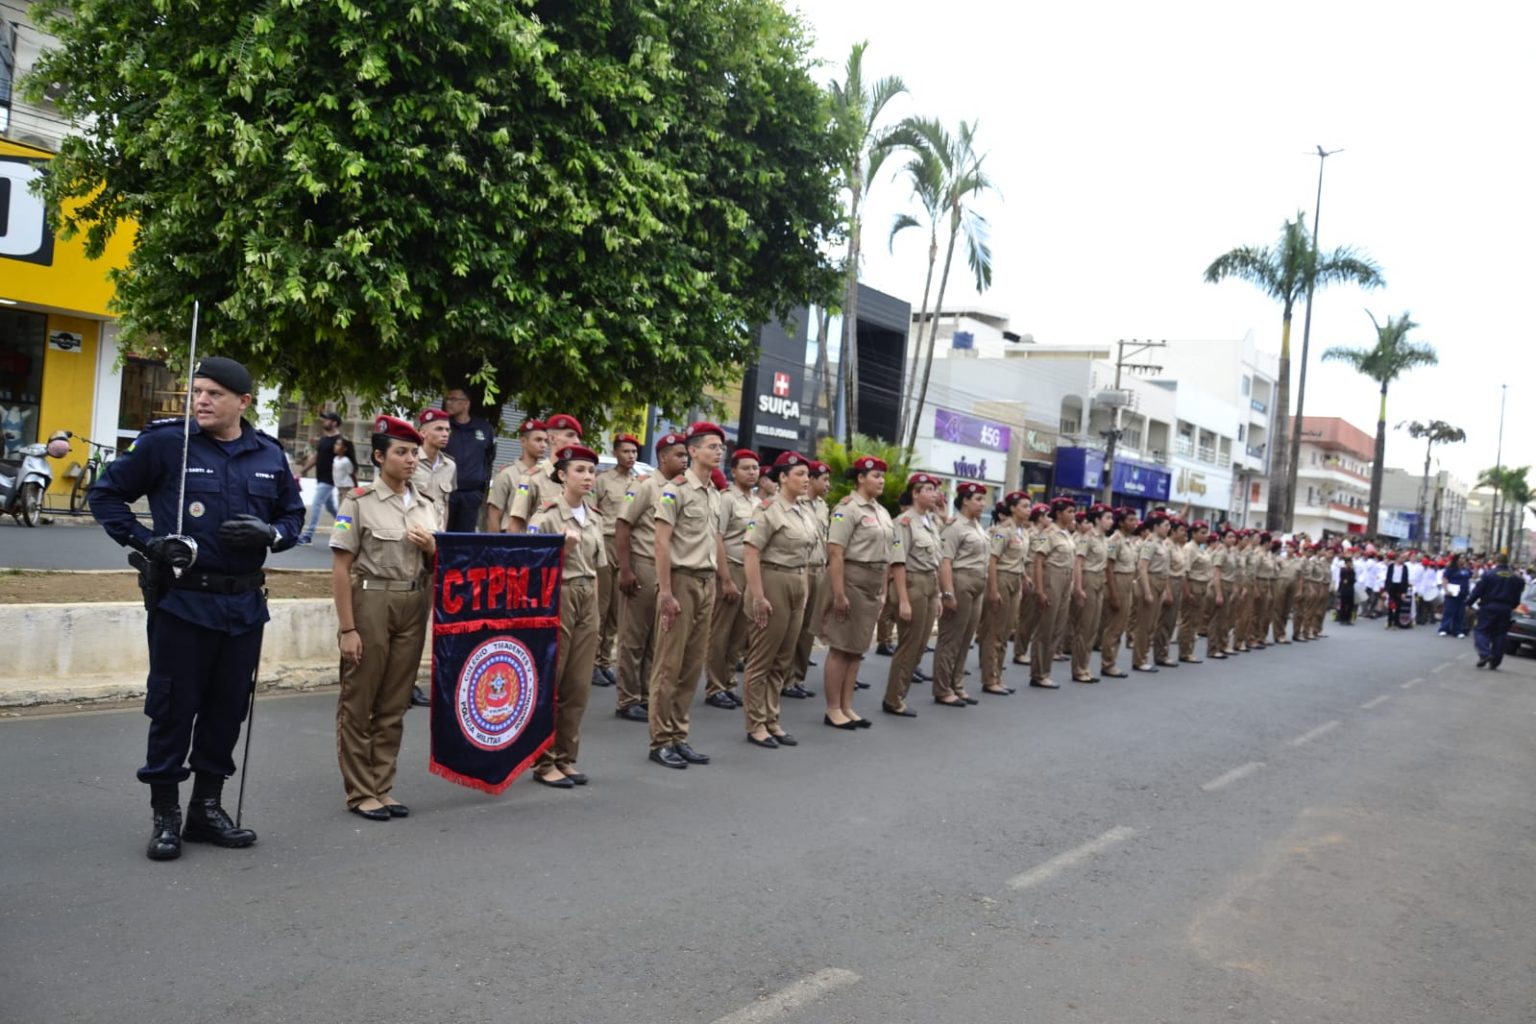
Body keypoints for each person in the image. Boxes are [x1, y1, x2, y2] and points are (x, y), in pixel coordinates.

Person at [90, 356, 305, 860]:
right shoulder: (169, 444)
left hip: (244, 606)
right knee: (172, 710)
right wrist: (149, 543)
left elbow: (293, 518)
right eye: (198, 391)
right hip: (185, 603)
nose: (201, 400)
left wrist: (270, 534)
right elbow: (107, 495)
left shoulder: (268, 455)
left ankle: (206, 809)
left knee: (227, 712)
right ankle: (165, 814)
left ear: (243, 402)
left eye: (214, 393)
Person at [329, 416, 438, 820]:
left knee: (394, 702)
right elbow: (341, 567)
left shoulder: (426, 505)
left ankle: (381, 784)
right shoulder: (358, 502)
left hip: (414, 603)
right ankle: (360, 791)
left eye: (414, 452)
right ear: (379, 456)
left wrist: (431, 547)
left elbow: (441, 563)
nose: (411, 459)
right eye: (402, 452)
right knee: (360, 700)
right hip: (371, 602)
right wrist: (348, 629)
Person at [646, 422, 727, 769]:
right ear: (692, 451)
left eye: (721, 446)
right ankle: (660, 740)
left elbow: (715, 542)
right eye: (711, 446)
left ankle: (679, 734)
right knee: (668, 665)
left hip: (705, 582)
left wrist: (721, 581)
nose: (718, 451)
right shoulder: (674, 490)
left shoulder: (715, 495)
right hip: (680, 581)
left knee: (692, 665)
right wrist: (665, 591)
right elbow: (661, 542)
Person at [527, 444, 605, 787]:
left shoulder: (596, 516)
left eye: (591, 471)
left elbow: (597, 572)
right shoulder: (546, 516)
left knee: (577, 685)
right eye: (580, 471)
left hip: (587, 598)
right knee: (553, 681)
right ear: (562, 475)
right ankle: (543, 761)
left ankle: (565, 756)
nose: (588, 477)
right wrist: (563, 550)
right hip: (558, 595)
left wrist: (598, 615)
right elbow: (530, 569)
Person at [740, 451, 816, 748]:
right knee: (762, 657)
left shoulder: (803, 511)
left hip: (796, 582)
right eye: (799, 474)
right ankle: (755, 723)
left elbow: (807, 556)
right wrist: (758, 596)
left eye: (808, 475)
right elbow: (751, 552)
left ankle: (772, 718)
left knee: (783, 657)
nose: (806, 479)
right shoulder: (767, 509)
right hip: (772, 580)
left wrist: (805, 588)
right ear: (782, 477)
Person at [613, 432, 688, 722]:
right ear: (663, 457)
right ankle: (627, 698)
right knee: (634, 635)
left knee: (656, 638)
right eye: (679, 455)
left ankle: (645, 694)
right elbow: (623, 524)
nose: (684, 460)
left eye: (685, 455)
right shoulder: (644, 485)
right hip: (643, 563)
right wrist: (626, 568)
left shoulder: (679, 488)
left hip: (665, 569)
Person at [822, 455, 895, 728]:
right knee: (841, 646)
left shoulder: (882, 512)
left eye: (882, 476)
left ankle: (847, 705)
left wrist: (883, 592)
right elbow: (836, 553)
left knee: (857, 648)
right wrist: (838, 594)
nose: (881, 481)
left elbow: (887, 554)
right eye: (876, 475)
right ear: (861, 478)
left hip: (873, 582)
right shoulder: (847, 508)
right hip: (851, 579)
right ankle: (832, 709)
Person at [882, 473, 943, 717]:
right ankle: (893, 698)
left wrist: (938, 595)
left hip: (929, 584)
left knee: (920, 645)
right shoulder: (904, 522)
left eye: (934, 489)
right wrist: (903, 600)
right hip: (912, 585)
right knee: (908, 644)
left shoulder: (930, 521)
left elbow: (935, 561)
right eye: (927, 489)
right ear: (915, 493)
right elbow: (897, 563)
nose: (933, 493)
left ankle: (899, 695)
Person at [704, 448, 761, 709]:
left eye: (755, 468)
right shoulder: (727, 499)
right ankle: (715, 686)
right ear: (734, 471)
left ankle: (728, 682)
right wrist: (725, 578)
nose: (752, 472)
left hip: (750, 572)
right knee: (721, 632)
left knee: (740, 633)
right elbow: (718, 538)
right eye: (746, 468)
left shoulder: (758, 502)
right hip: (731, 569)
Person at [593, 434, 644, 689]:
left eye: (634, 452)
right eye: (626, 451)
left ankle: (604, 661)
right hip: (605, 542)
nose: (631, 456)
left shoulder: (639, 483)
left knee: (617, 607)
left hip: (628, 546)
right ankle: (592, 662)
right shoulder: (602, 481)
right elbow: (592, 511)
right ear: (615, 453)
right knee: (602, 604)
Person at [933, 481, 990, 707]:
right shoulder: (955, 526)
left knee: (966, 638)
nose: (983, 504)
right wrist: (947, 593)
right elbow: (945, 562)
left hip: (977, 584)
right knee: (951, 638)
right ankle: (942, 688)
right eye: (978, 499)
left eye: (984, 500)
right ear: (965, 500)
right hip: (960, 581)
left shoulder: (977, 526)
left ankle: (957, 684)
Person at [787, 460, 832, 698]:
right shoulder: (798, 503)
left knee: (808, 629)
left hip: (819, 569)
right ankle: (784, 676)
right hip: (801, 568)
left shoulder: (823, 506)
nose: (828, 485)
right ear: (812, 480)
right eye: (824, 479)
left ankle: (797, 677)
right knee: (793, 625)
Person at [978, 493, 1030, 694]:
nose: (1028, 509)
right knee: (995, 631)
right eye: (1024, 506)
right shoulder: (1002, 531)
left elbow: (1019, 559)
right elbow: (992, 560)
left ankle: (998, 676)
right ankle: (990, 679)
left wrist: (1025, 577)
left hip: (1015, 579)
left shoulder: (1022, 531)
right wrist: (993, 589)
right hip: (1001, 579)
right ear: (1013, 508)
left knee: (1007, 629)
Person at [506, 414, 583, 533]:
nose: (577, 441)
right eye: (570, 435)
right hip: (543, 549)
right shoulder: (532, 478)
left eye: (578, 437)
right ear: (552, 439)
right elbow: (515, 526)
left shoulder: (580, 479)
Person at [1031, 496, 1078, 688]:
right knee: (1046, 627)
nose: (1073, 515)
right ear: (1058, 513)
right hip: (1052, 578)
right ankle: (1038, 673)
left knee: (1058, 627)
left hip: (1066, 579)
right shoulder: (1048, 533)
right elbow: (1038, 560)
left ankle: (1045, 671)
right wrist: (1040, 590)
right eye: (1069, 511)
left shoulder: (1066, 534)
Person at [441, 387, 497, 533]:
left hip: (471, 495)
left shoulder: (483, 428)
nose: (448, 403)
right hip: (446, 492)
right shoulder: (444, 427)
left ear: (466, 404)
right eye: (448, 399)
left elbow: (489, 455)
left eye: (453, 399)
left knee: (465, 540)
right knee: (442, 536)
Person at [1071, 503, 1113, 682]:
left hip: (1099, 581)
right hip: (1087, 578)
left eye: (1111, 518)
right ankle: (1078, 669)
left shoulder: (1106, 540)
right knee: (1084, 626)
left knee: (1094, 627)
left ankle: (1085, 666)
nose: (1111, 521)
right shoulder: (1086, 538)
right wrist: (1079, 589)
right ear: (1097, 519)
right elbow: (1078, 563)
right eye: (1107, 518)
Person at [485, 418, 547, 533]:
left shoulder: (548, 475)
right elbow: (493, 515)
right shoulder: (506, 474)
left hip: (540, 540)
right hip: (512, 539)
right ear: (523, 441)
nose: (543, 445)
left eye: (545, 441)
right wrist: (495, 547)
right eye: (538, 440)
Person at [1099, 508, 1140, 677]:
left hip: (1127, 581)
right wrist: (1114, 593)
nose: (1135, 523)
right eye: (1130, 520)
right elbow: (1109, 567)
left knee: (1121, 624)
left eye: (1135, 520)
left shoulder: (1128, 540)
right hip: (1117, 581)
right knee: (1114, 625)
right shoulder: (1115, 540)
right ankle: (1108, 663)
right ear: (1121, 522)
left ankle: (1112, 661)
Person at [1469, 554, 1525, 669]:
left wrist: (1469, 603)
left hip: (1488, 606)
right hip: (1506, 608)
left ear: (1495, 561)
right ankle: (1495, 661)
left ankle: (1485, 653)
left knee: (1481, 630)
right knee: (1500, 634)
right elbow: (1517, 595)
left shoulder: (1488, 575)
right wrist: (1512, 606)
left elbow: (1478, 591)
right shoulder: (1516, 578)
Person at [1132, 513, 1172, 672]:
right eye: (1165, 525)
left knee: (1152, 624)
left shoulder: (1162, 543)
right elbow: (1142, 567)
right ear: (1156, 527)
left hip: (1160, 583)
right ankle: (1139, 659)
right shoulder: (1150, 543)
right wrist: (1147, 592)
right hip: (1151, 582)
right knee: (1144, 624)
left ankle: (1144, 656)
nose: (1168, 529)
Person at [297, 410, 344, 544]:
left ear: (334, 423)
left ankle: (308, 535)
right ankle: (347, 530)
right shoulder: (324, 439)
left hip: (330, 479)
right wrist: (302, 471)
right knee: (331, 508)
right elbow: (316, 458)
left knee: (316, 503)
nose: (324, 421)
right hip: (321, 477)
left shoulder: (339, 441)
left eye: (327, 419)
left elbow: (346, 460)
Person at [411, 407, 458, 510]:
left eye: (447, 430)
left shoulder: (450, 466)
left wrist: (443, 526)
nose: (445, 434)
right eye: (439, 429)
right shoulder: (410, 461)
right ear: (423, 433)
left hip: (437, 525)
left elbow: (445, 504)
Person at [1439, 554, 1472, 637]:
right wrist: (1446, 590)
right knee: (1449, 611)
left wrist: (1474, 566)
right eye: (1461, 558)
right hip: (1452, 592)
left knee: (1460, 612)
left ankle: (1457, 630)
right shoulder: (1451, 569)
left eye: (1464, 558)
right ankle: (1444, 629)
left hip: (1462, 593)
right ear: (1457, 559)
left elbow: (1473, 576)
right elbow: (1445, 579)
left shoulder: (1466, 570)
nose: (1463, 560)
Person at [1384, 551, 1412, 628]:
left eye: (1403, 558)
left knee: (1398, 605)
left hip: (1400, 586)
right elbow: (1388, 578)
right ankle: (1389, 621)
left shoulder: (1405, 567)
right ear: (1396, 558)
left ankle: (1396, 622)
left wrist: (1404, 592)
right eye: (1400, 558)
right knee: (1391, 604)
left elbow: (1405, 580)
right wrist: (1386, 589)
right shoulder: (1391, 566)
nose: (1402, 560)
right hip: (1392, 586)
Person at [1336, 555, 1357, 624]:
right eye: (1348, 562)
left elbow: (1353, 580)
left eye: (1350, 562)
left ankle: (1348, 618)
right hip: (1344, 589)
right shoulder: (1343, 570)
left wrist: (1348, 580)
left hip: (1350, 589)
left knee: (1350, 605)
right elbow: (1343, 580)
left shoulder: (1352, 570)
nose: (1350, 564)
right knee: (1343, 604)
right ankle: (1342, 618)